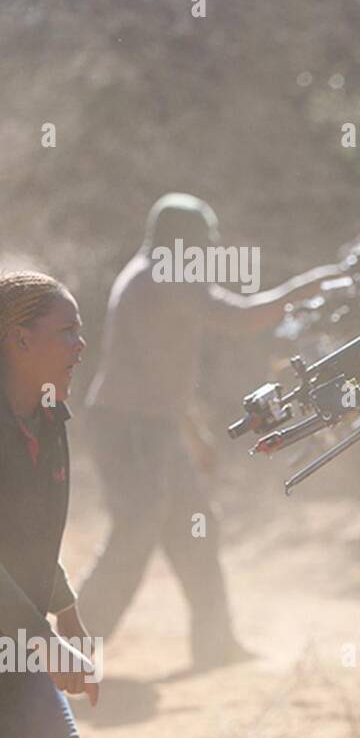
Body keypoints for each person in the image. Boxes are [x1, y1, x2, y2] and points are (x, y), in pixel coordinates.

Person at [80, 194, 336, 668]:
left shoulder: (155, 273)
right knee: (136, 529)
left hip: (151, 425)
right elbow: (239, 317)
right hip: (129, 427)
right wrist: (304, 288)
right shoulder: (161, 273)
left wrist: (191, 433)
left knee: (195, 526)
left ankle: (214, 645)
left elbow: (162, 370)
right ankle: (72, 649)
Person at [0, 270, 98, 738]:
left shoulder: (48, 415)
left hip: (10, 652)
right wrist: (45, 641)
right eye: (67, 332)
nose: (80, 346)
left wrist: (66, 611)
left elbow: (29, 535)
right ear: (19, 340)